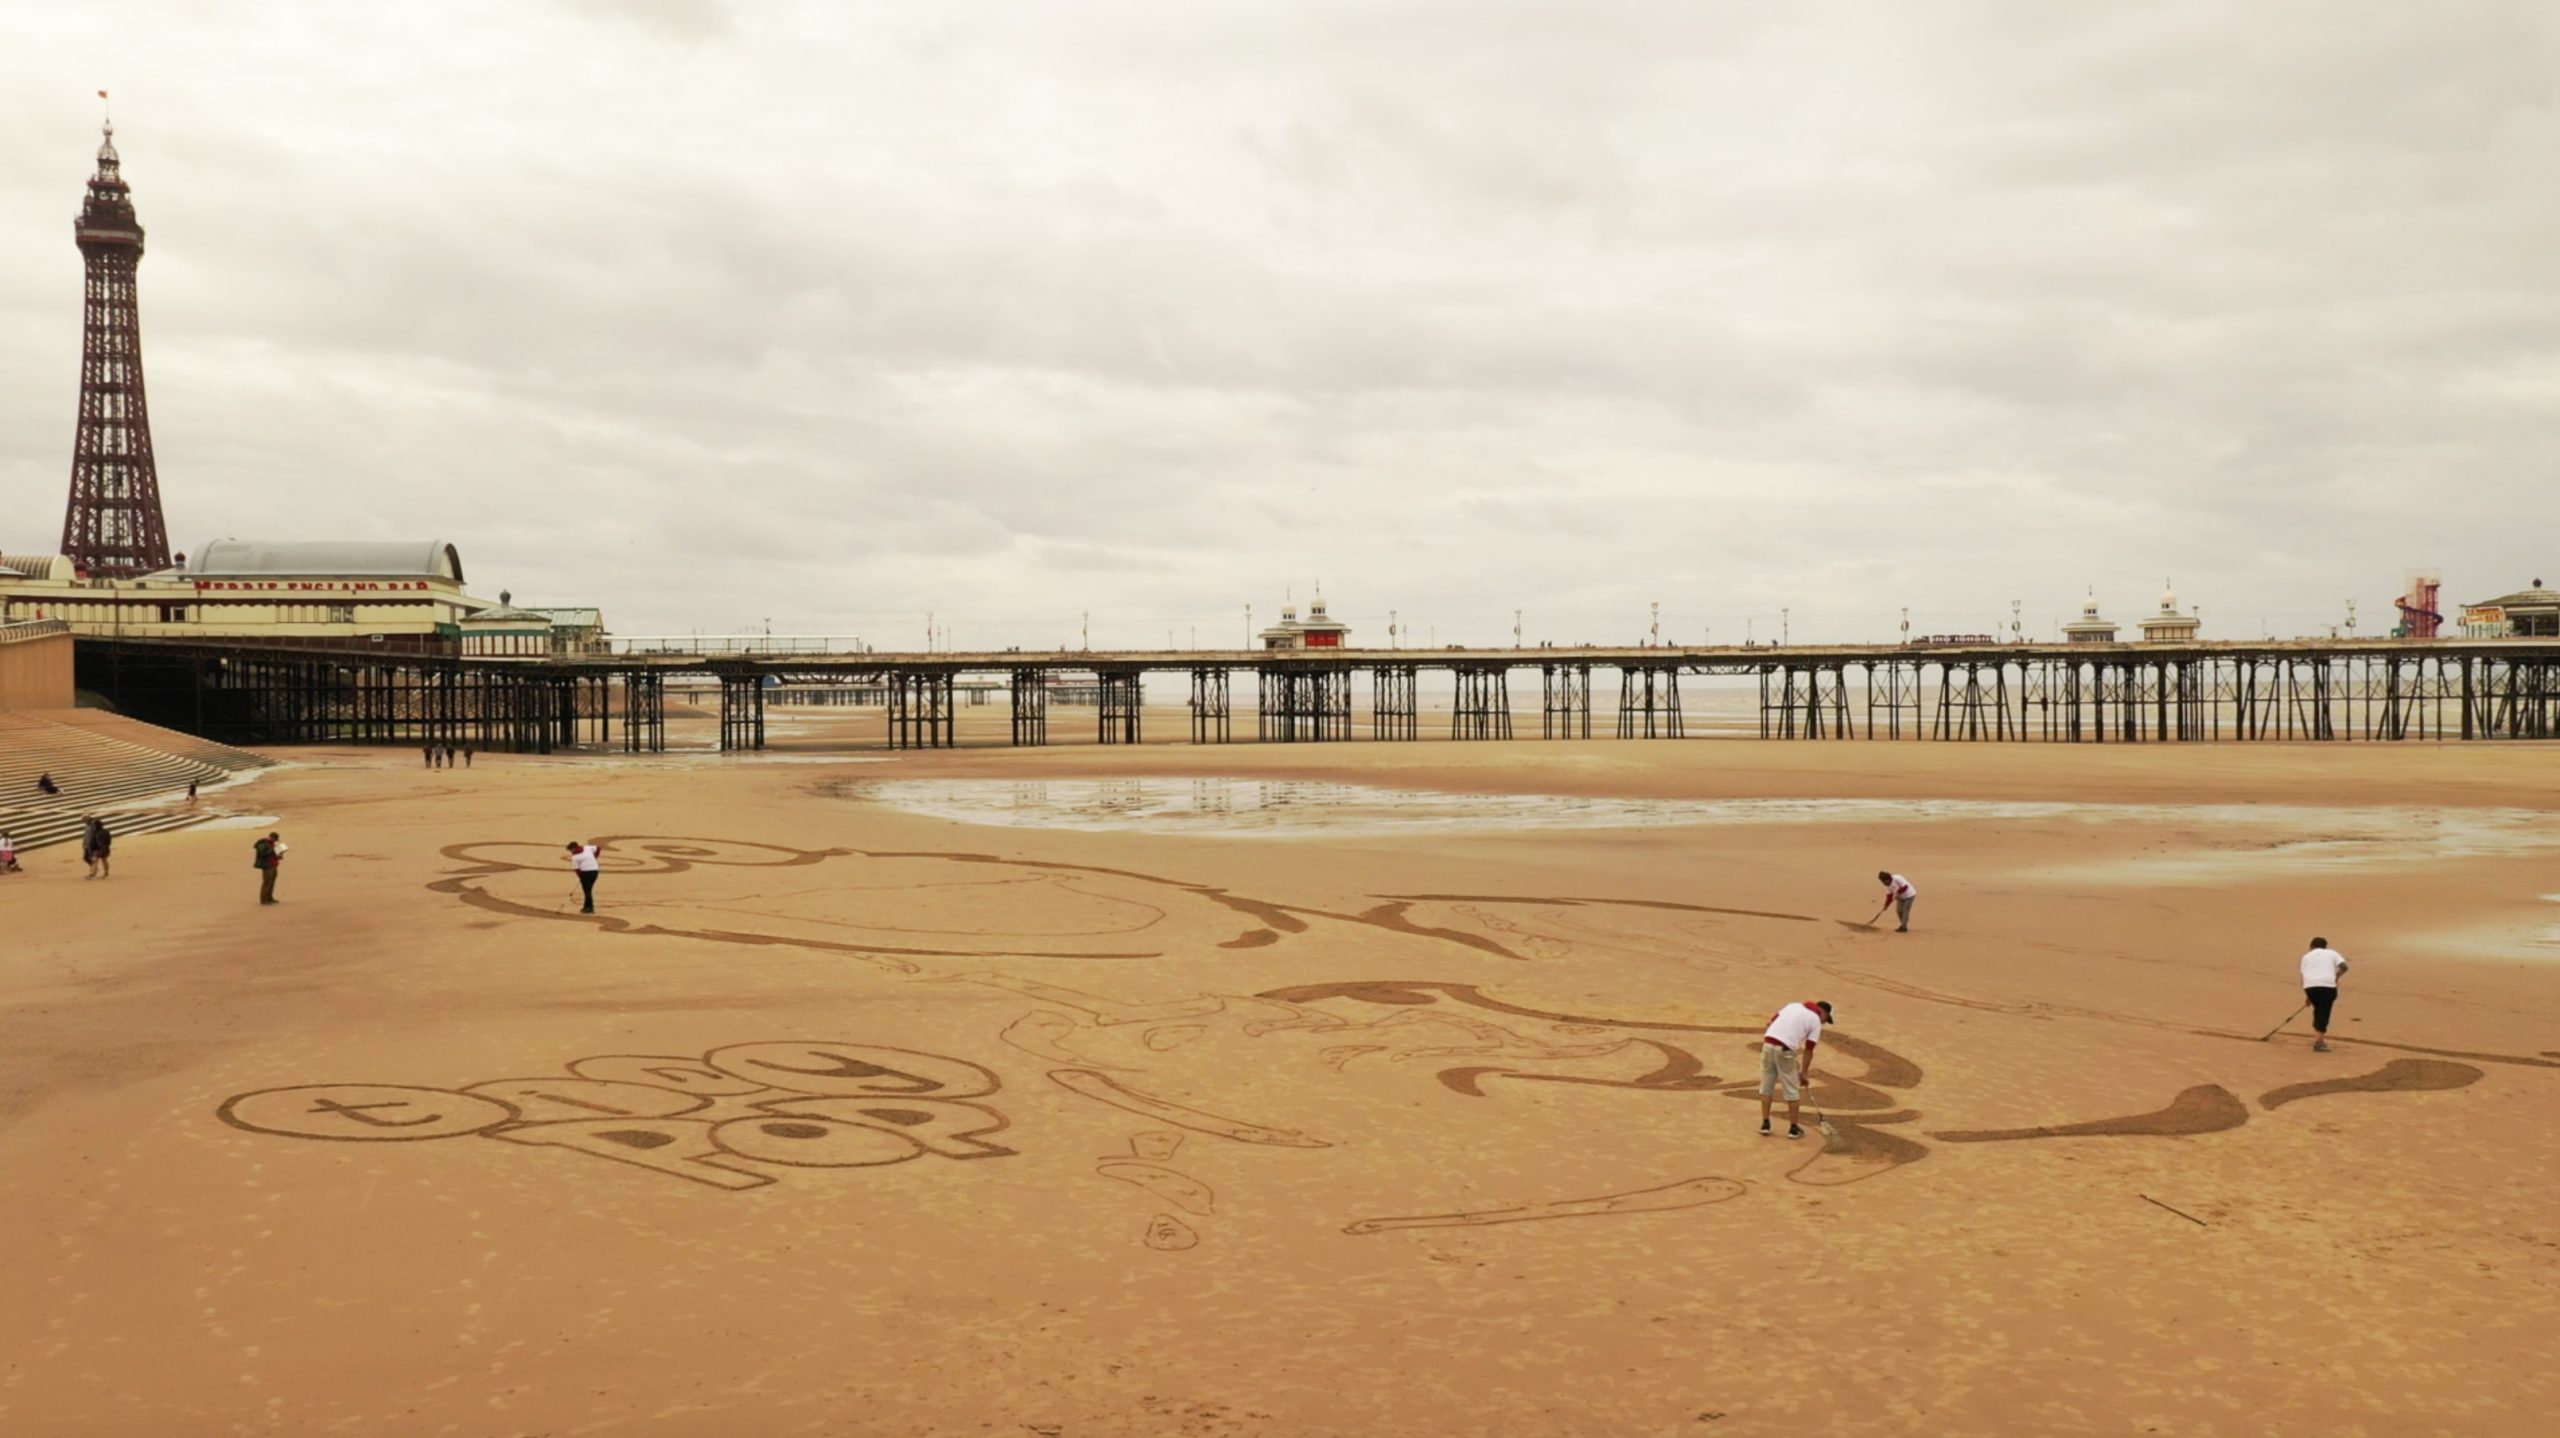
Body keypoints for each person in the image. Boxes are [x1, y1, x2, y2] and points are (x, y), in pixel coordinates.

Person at [1758, 998, 1834, 1139]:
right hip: (1785, 1051)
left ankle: (1765, 1124)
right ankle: (1793, 1129)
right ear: (1822, 1012)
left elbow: (1770, 1023)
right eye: (1826, 1019)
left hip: (1767, 1046)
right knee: (1792, 1091)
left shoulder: (1792, 1006)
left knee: (1766, 1087)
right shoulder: (1815, 1020)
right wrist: (1804, 1073)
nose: (1824, 1022)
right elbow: (1809, 1049)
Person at [2300, 937, 2350, 1053]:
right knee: (2324, 1012)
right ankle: (2319, 1042)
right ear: (2325, 946)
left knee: (2318, 1010)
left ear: (2311, 946)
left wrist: (2308, 995)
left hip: (2310, 987)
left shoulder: (2306, 956)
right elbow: (2344, 967)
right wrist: (2336, 976)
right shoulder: (2332, 953)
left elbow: (2303, 975)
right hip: (2327, 986)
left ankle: (2318, 1035)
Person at [567, 839, 604, 913]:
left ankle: (590, 908)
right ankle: (586, 906)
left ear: (574, 848)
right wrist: (595, 857)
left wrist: (581, 878)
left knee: (587, 890)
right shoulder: (587, 848)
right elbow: (598, 848)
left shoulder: (575, 857)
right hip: (595, 870)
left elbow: (577, 870)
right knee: (587, 890)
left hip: (586, 872)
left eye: (571, 850)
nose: (571, 852)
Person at [254, 831, 284, 905]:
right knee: (267, 882)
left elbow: (272, 854)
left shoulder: (271, 844)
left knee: (271, 882)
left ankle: (270, 898)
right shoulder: (262, 843)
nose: (275, 841)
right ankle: (264, 900)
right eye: (275, 839)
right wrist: (273, 850)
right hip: (267, 865)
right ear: (271, 837)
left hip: (273, 864)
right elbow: (262, 853)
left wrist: (279, 855)